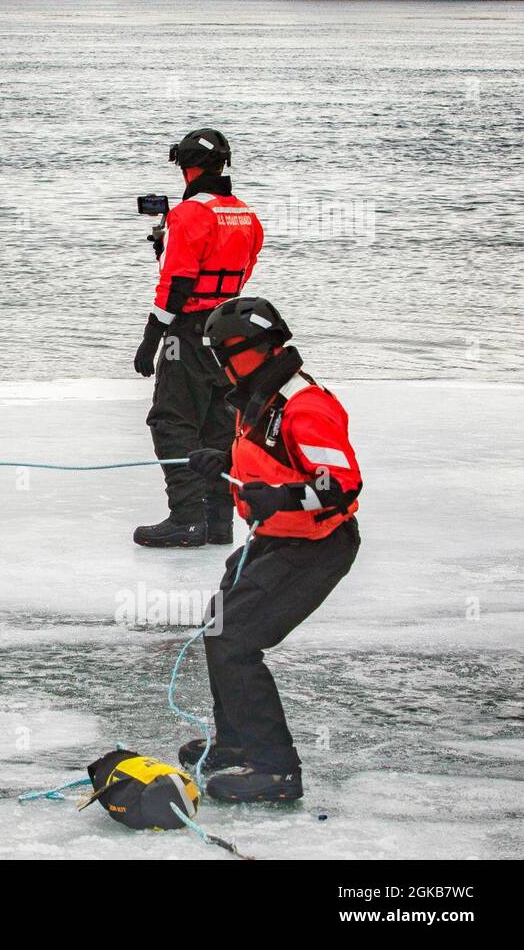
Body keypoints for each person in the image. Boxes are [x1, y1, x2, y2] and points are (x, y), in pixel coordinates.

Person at [181, 297, 362, 803]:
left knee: (235, 641)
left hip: (316, 546)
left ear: (251, 350)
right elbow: (273, 458)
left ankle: (276, 769)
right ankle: (236, 744)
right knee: (220, 627)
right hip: (277, 538)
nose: (219, 364)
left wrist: (284, 497)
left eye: (222, 353)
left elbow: (342, 484)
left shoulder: (306, 405)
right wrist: (223, 460)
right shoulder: (263, 395)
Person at [133, 129, 265, 549]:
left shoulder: (188, 214)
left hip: (189, 330)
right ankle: (218, 520)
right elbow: (241, 272)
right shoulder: (244, 213)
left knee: (171, 421)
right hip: (229, 331)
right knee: (219, 426)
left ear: (186, 165)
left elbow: (176, 285)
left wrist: (151, 338)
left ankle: (187, 518)